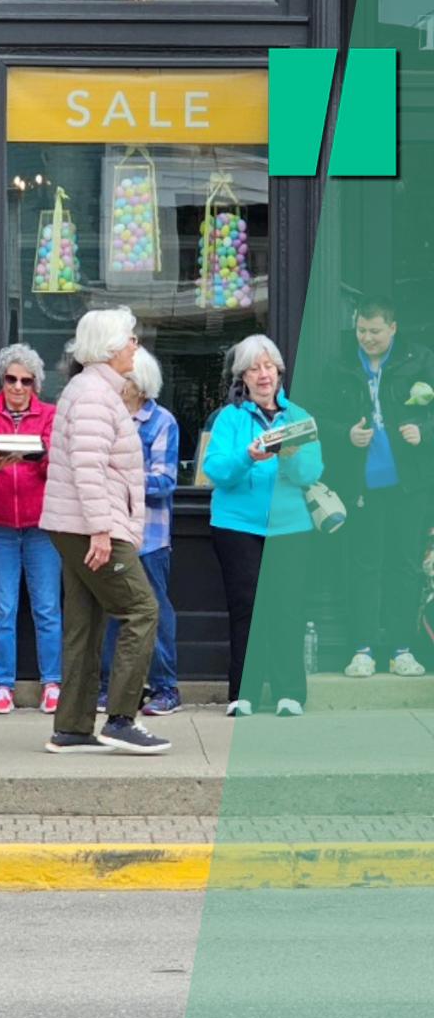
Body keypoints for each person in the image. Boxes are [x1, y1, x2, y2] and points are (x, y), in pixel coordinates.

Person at [41, 307, 168, 753]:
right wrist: (101, 530)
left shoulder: (90, 389)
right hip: (95, 526)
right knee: (142, 610)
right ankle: (120, 720)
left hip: (77, 524)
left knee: (85, 624)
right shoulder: (96, 394)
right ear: (112, 347)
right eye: (131, 338)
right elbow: (88, 468)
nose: (136, 345)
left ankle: (73, 728)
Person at [204, 334, 325, 718]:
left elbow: (312, 471)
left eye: (269, 366)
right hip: (237, 525)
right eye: (254, 368)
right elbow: (217, 471)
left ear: (279, 372)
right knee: (246, 608)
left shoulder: (300, 417)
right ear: (243, 377)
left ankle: (290, 693)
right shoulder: (229, 418)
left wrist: (288, 457)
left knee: (288, 606)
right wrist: (247, 457)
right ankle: (243, 693)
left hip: (289, 525)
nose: (263, 375)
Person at [320, 298, 431, 679]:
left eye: (375, 331)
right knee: (363, 566)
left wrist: (425, 431)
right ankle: (362, 649)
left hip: (409, 483)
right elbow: (320, 417)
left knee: (404, 565)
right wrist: (345, 434)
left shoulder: (420, 360)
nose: (367, 338)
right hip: (361, 482)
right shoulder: (340, 364)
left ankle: (402, 649)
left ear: (393, 328)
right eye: (362, 331)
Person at [0, 343, 62, 715]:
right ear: (2, 380)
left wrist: (34, 454)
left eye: (26, 380)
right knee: (2, 608)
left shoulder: (51, 414)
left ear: (36, 384)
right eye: (11, 379)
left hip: (41, 525)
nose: (18, 386)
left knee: (47, 608)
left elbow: (56, 460)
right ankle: (2, 686)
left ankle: (52, 683)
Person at [99, 348, 183, 715]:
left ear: (140, 384)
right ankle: (112, 689)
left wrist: (118, 479)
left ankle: (166, 688)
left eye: (125, 379)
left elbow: (164, 481)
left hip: (150, 538)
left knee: (155, 612)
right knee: (113, 612)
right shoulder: (107, 418)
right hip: (112, 532)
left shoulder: (161, 422)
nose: (118, 385)